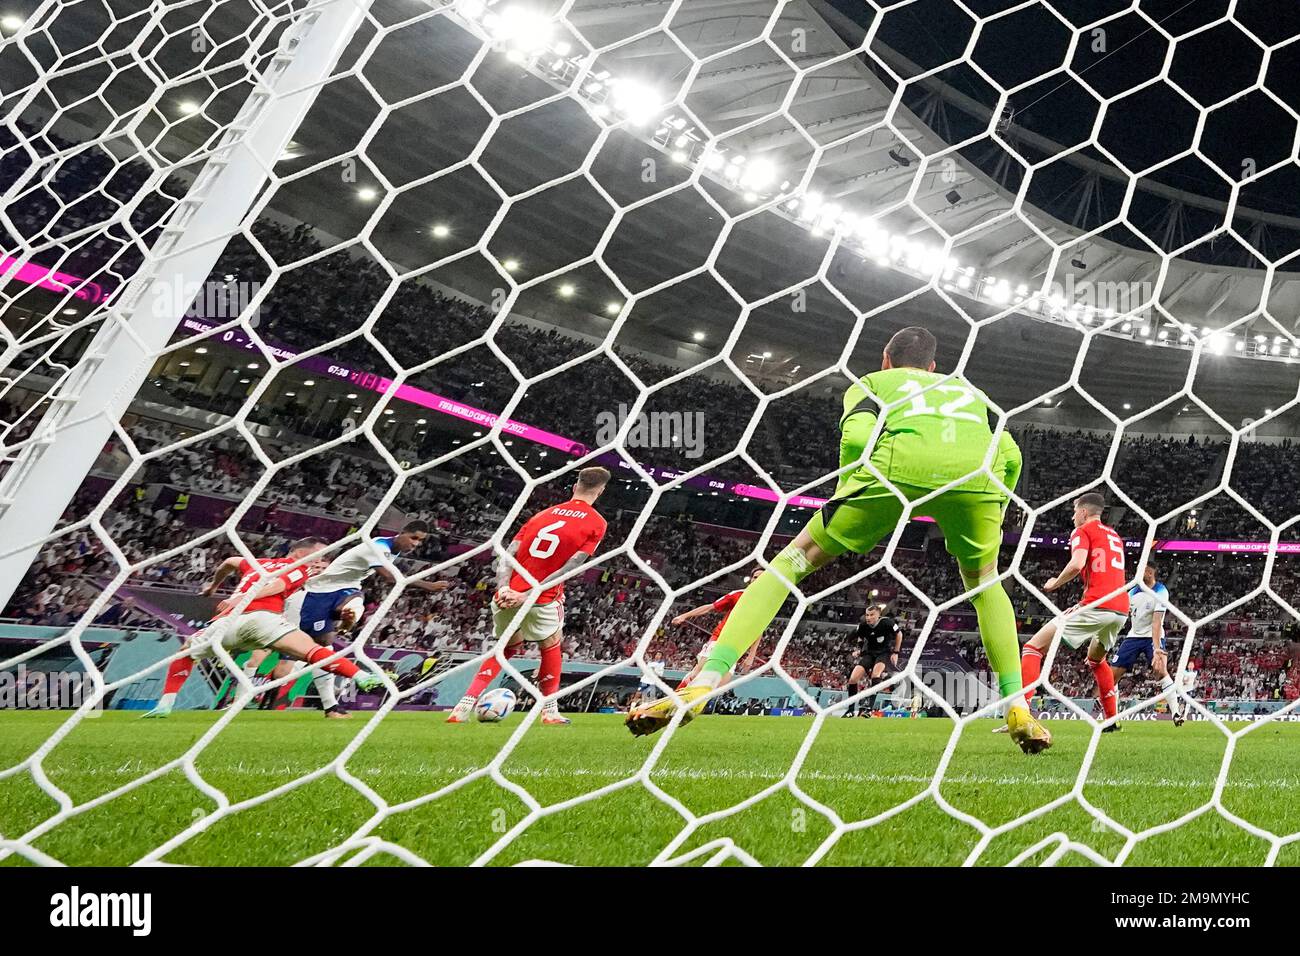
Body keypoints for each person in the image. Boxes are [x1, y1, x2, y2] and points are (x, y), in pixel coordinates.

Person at [627, 326, 1051, 754]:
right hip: (977, 479)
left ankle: (705, 679)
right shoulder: (966, 391)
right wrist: (999, 504)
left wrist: (848, 490)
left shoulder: (873, 383)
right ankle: (1016, 703)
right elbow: (1011, 454)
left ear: (886, 358)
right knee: (985, 583)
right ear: (934, 366)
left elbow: (858, 437)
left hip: (894, 471)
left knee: (789, 563)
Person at [143, 538, 383, 717]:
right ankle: (360, 675)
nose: (319, 561)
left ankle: (165, 704)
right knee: (311, 650)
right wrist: (244, 597)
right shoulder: (298, 568)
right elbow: (278, 585)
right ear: (300, 553)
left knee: (187, 650)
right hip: (261, 619)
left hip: (225, 623)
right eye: (317, 556)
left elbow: (228, 562)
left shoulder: (258, 563)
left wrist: (214, 587)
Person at [447, 467, 610, 726]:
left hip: (506, 594)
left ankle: (462, 707)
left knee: (505, 648)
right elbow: (572, 565)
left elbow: (508, 554)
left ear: (574, 485)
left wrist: (503, 587)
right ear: (601, 490)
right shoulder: (597, 523)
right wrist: (529, 595)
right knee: (552, 645)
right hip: (541, 597)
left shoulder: (541, 515)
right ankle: (549, 711)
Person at [1018, 493, 1129, 731]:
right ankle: (1111, 720)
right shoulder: (1114, 536)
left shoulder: (1082, 532)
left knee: (1032, 647)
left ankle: (1022, 713)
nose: (1072, 516)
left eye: (1074, 511)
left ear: (1083, 512)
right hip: (1120, 607)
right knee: (1096, 659)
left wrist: (1054, 583)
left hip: (1097, 604)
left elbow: (1078, 563)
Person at [1110, 563, 1184, 726]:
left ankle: (1176, 713)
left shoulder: (1160, 591)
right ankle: (1113, 718)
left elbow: (1156, 622)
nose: (1142, 573)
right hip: (1133, 637)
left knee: (1160, 670)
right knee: (1112, 677)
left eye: (1145, 571)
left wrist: (1157, 648)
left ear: (1151, 573)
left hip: (1153, 637)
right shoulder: (1132, 592)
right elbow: (1122, 617)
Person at [669, 569, 763, 691]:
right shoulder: (738, 595)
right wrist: (684, 615)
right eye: (755, 577)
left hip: (736, 646)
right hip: (719, 638)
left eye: (761, 577)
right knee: (698, 673)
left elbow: (759, 629)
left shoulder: (764, 604)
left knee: (718, 685)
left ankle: (690, 705)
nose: (757, 580)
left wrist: (751, 655)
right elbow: (710, 607)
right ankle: (676, 698)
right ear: (750, 580)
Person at [845, 605, 902, 716]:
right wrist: (858, 649)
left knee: (875, 675)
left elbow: (899, 634)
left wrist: (896, 652)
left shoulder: (887, 623)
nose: (868, 617)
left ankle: (869, 709)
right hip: (869, 654)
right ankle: (850, 710)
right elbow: (856, 637)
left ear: (878, 615)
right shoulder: (863, 626)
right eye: (867, 615)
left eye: (872, 615)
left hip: (883, 653)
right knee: (852, 679)